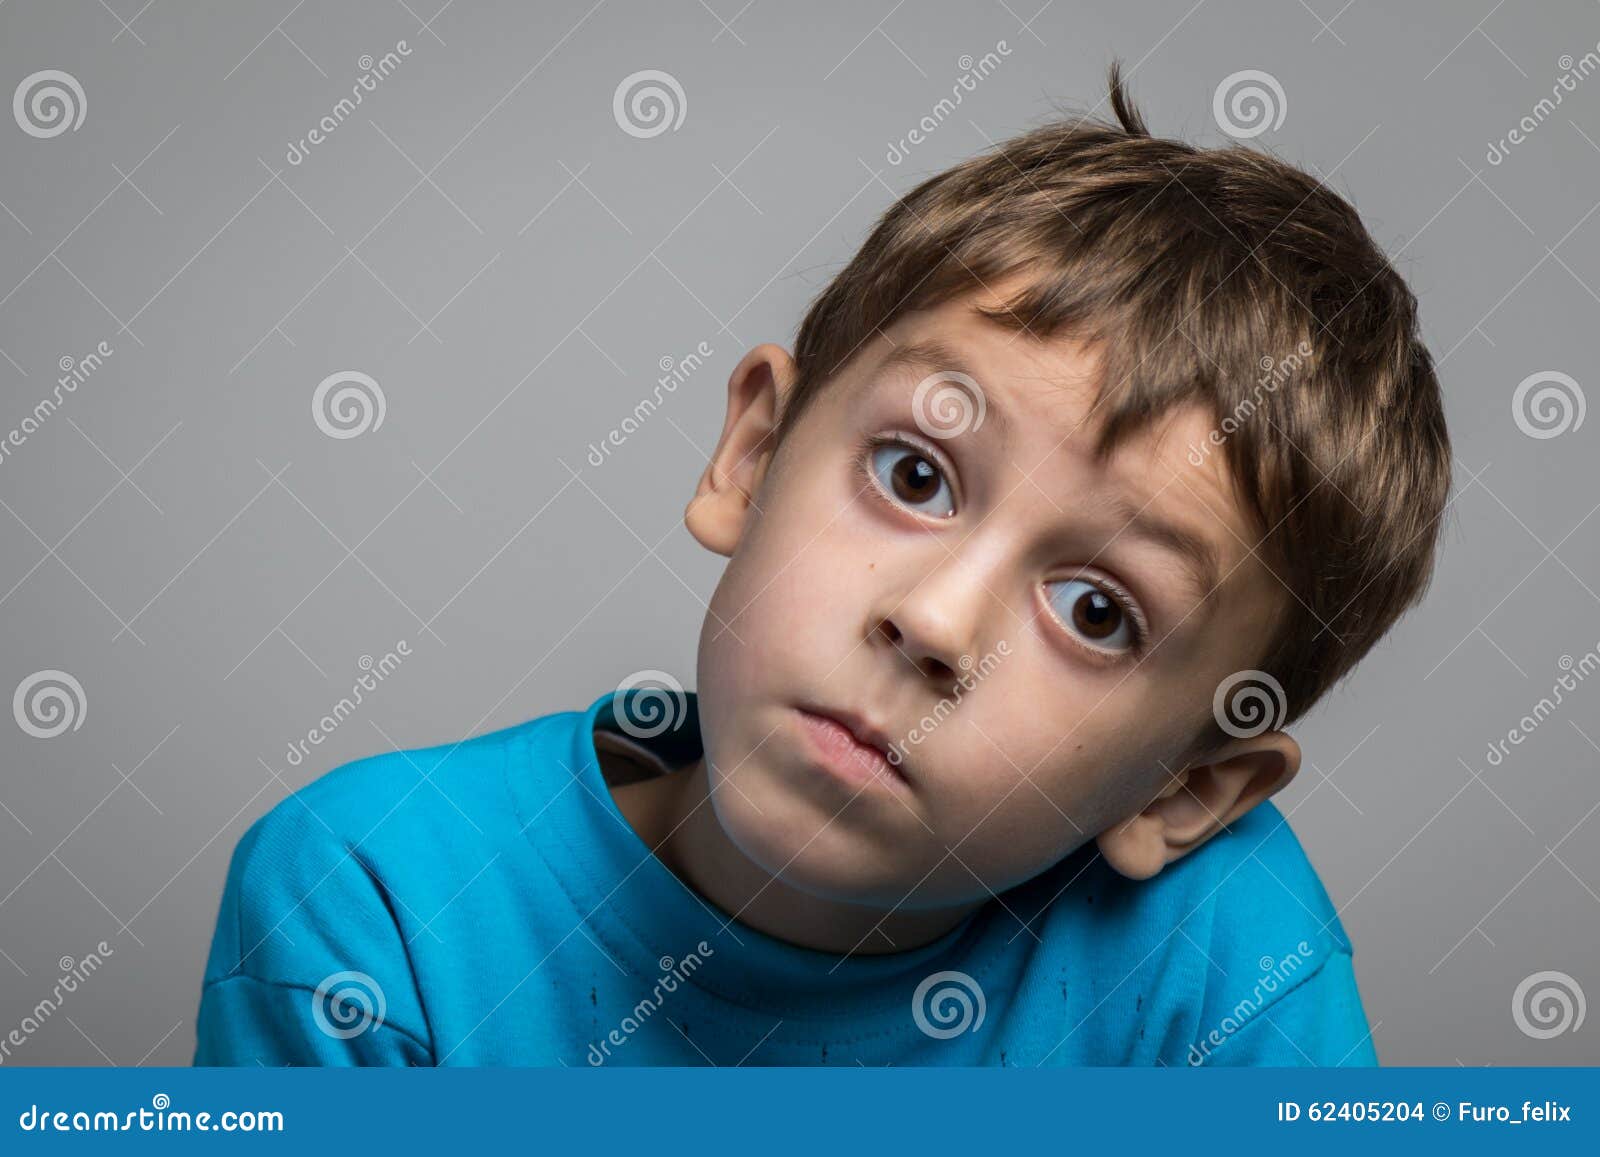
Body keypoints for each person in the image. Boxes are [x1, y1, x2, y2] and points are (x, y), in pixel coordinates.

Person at [194, 64, 1450, 1066]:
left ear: (1184, 789)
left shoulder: (1222, 974)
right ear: (751, 452)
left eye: (1095, 609)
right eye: (914, 475)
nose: (935, 620)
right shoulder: (380, 908)